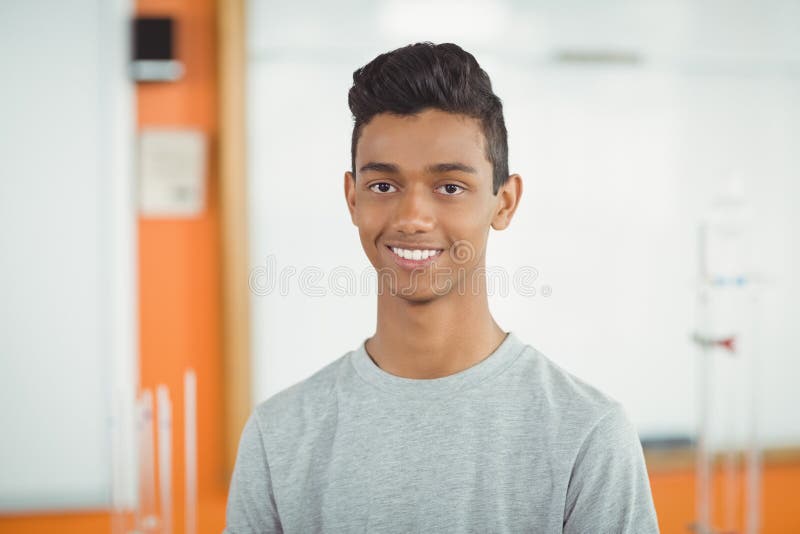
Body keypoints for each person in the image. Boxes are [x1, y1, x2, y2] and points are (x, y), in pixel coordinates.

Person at [224, 42, 660, 533]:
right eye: (383, 186)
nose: (412, 218)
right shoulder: (278, 437)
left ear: (505, 203)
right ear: (352, 198)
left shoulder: (589, 436)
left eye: (449, 187)